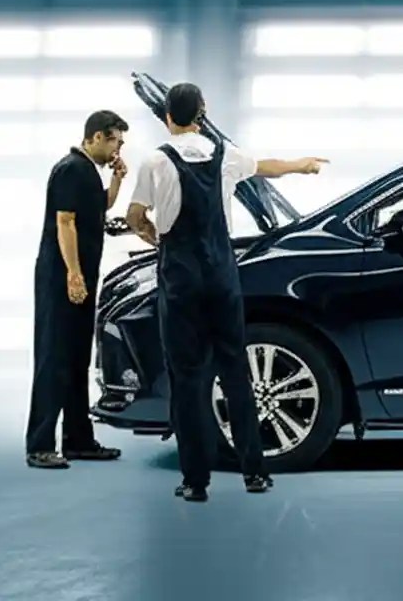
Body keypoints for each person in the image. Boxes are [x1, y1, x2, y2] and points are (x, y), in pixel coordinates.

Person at [126, 82, 328, 502]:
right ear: (202, 113)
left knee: (187, 380)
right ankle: (254, 472)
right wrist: (302, 165)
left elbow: (134, 216)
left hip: (180, 283)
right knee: (236, 373)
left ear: (167, 117)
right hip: (221, 277)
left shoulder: (154, 163)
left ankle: (195, 481)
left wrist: (155, 238)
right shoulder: (226, 158)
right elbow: (267, 167)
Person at [26, 110, 129, 469]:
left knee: (76, 358)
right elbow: (64, 221)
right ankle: (39, 444)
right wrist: (73, 274)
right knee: (54, 357)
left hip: (81, 277)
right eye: (116, 140)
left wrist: (116, 181)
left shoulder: (87, 172)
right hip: (62, 278)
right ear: (97, 137)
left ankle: (78, 440)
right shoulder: (72, 168)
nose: (119, 148)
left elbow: (99, 208)